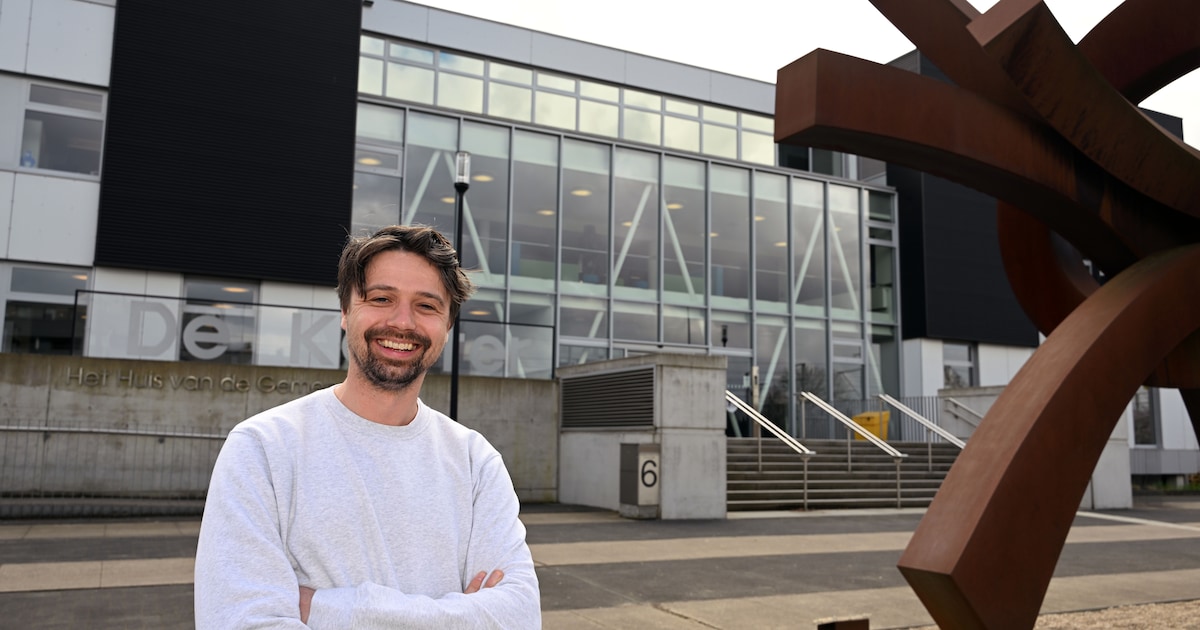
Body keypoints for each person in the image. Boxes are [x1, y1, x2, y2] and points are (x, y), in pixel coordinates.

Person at [194, 225, 541, 628]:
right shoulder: (263, 449)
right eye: (381, 299)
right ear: (345, 312)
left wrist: (326, 609)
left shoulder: (474, 460)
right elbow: (239, 621)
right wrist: (462, 617)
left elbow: (519, 618)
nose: (403, 322)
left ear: (447, 326)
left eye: (427, 306)